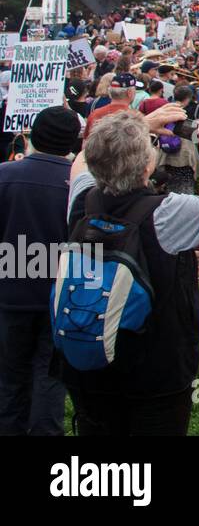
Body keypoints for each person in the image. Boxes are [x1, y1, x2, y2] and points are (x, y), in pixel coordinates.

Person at [57, 109, 199, 435]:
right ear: (147, 166)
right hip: (156, 370)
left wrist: (135, 126)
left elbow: (83, 160)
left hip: (88, 359)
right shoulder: (167, 213)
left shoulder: (83, 198)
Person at [0, 107, 81, 435]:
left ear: (33, 134)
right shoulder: (77, 184)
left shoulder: (5, 175)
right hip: (60, 295)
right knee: (50, 376)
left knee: (9, 375)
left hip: (10, 293)